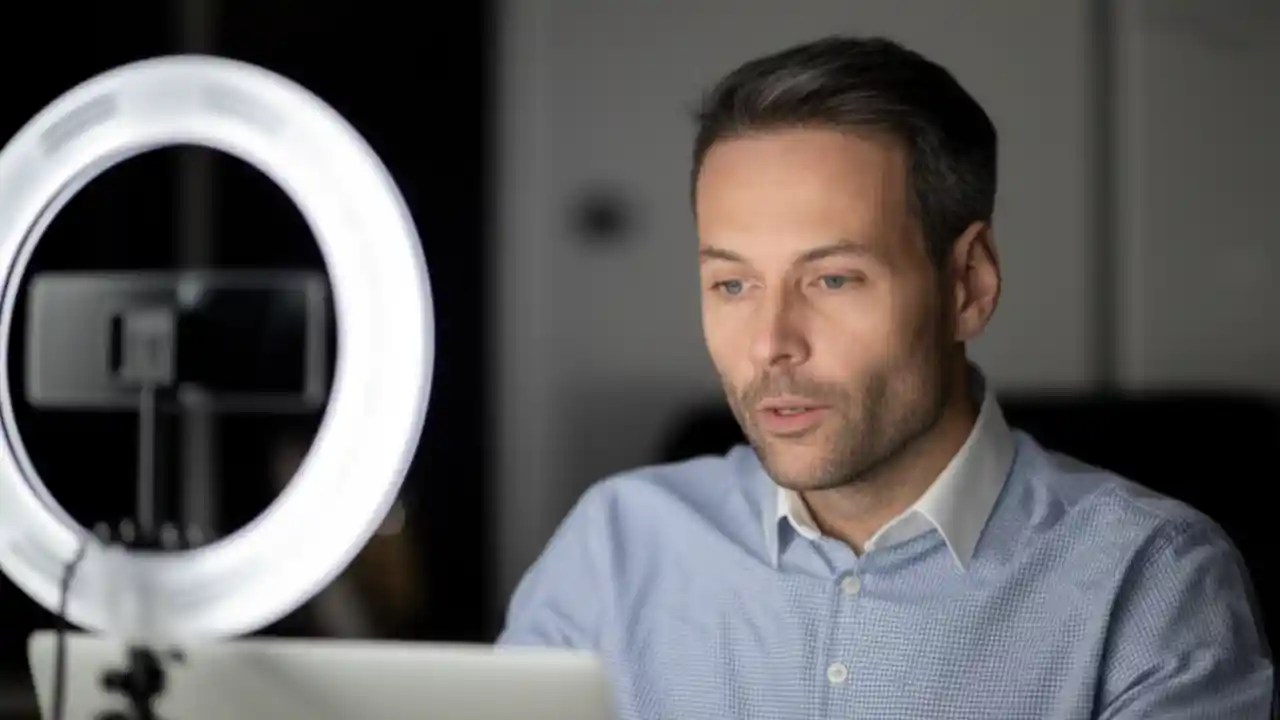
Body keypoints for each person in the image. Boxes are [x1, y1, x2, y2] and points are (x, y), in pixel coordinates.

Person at [496, 35, 1276, 718]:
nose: (771, 344)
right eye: (732, 285)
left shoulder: (1150, 581)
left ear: (968, 284)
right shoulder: (614, 545)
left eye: (833, 279)